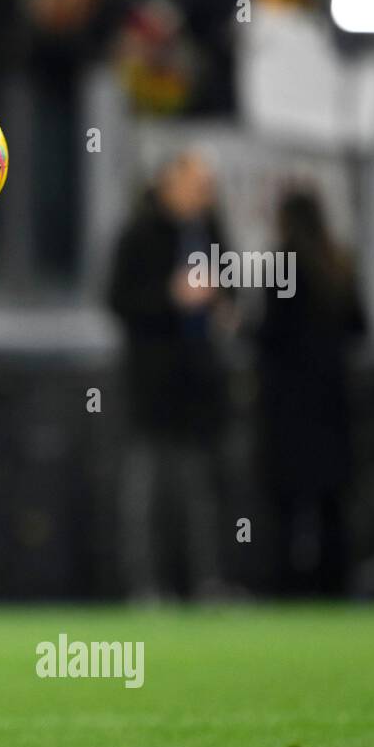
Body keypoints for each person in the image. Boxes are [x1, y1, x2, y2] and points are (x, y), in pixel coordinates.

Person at [107, 149, 234, 602]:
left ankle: (207, 582)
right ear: (168, 184)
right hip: (151, 384)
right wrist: (170, 298)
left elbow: (229, 288)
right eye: (195, 186)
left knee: (202, 492)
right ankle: (145, 587)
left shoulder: (210, 232)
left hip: (200, 382)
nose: (203, 195)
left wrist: (222, 305)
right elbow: (119, 301)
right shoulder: (139, 236)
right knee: (146, 491)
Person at [256, 188, 366, 596]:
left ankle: (289, 589)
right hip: (333, 403)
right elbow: (360, 326)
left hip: (288, 407)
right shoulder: (338, 263)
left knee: (287, 507)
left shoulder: (284, 264)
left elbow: (269, 332)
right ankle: (336, 587)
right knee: (332, 505)